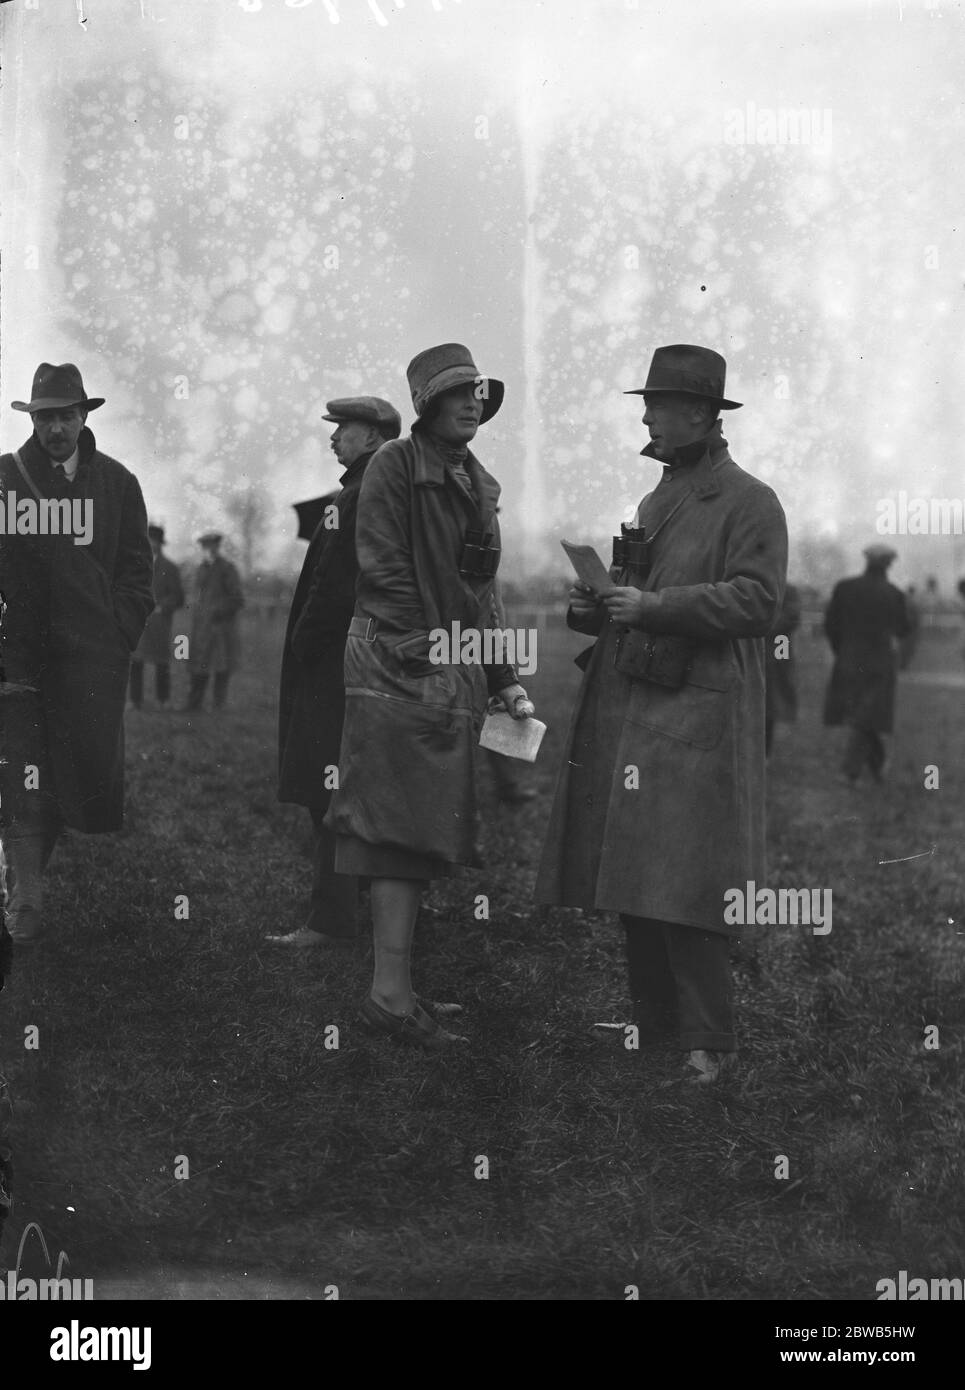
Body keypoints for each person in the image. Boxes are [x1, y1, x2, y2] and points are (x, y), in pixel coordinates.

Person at [535, 344, 788, 1084]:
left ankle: (708, 1042)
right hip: (633, 699)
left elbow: (756, 601)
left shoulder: (749, 500)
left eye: (658, 403)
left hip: (699, 714)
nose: (644, 415)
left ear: (702, 415)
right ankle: (654, 1028)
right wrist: (597, 604)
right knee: (633, 872)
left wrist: (653, 607)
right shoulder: (656, 500)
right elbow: (631, 596)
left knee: (687, 876)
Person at [325, 343, 536, 1051]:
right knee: (393, 832)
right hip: (397, 664)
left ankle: (398, 988)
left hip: (442, 672)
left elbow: (483, 595)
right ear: (428, 406)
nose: (472, 401)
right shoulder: (393, 466)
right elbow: (381, 568)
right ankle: (388, 997)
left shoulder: (477, 482)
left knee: (418, 834)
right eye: (457, 393)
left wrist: (503, 678)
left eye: (477, 390)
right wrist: (425, 655)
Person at [0, 362, 154, 944]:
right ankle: (27, 897)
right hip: (19, 656)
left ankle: (30, 881)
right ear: (33, 420)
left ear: (84, 416)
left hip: (91, 659)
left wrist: (119, 632)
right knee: (20, 770)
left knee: (71, 775)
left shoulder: (119, 483)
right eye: (45, 417)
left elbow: (138, 573)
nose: (55, 428)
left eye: (65, 415)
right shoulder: (5, 480)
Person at [270, 395, 402, 949]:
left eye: (342, 429)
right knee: (342, 787)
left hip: (336, 662)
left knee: (329, 790)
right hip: (350, 657)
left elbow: (336, 583)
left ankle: (330, 922)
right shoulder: (360, 490)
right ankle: (356, 908)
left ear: (372, 436)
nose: (333, 438)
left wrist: (305, 644)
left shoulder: (361, 495)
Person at [823, 544, 910, 783]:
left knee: (861, 715)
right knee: (866, 715)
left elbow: (830, 625)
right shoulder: (894, 594)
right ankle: (853, 770)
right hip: (880, 663)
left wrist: (841, 650)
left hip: (849, 660)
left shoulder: (844, 588)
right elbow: (904, 629)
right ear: (889, 564)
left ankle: (874, 766)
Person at [183, 532, 244, 711]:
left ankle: (219, 705)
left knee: (221, 666)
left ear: (217, 547)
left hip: (220, 627)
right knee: (199, 665)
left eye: (211, 546)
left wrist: (220, 610)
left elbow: (238, 599)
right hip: (202, 627)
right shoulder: (201, 568)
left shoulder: (227, 568)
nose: (208, 550)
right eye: (204, 546)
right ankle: (194, 704)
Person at [129, 524, 185, 709]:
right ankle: (136, 701)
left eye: (154, 540)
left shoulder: (170, 568)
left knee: (161, 662)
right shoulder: (135, 564)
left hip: (160, 622)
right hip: (140, 620)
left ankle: (163, 700)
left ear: (160, 543)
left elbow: (178, 596)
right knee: (136, 661)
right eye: (148, 539)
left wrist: (163, 606)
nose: (151, 544)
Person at [765, 581, 801, 756]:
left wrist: (759, 625)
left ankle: (766, 751)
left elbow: (791, 618)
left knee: (774, 695)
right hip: (757, 648)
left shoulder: (788, 590)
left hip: (778, 646)